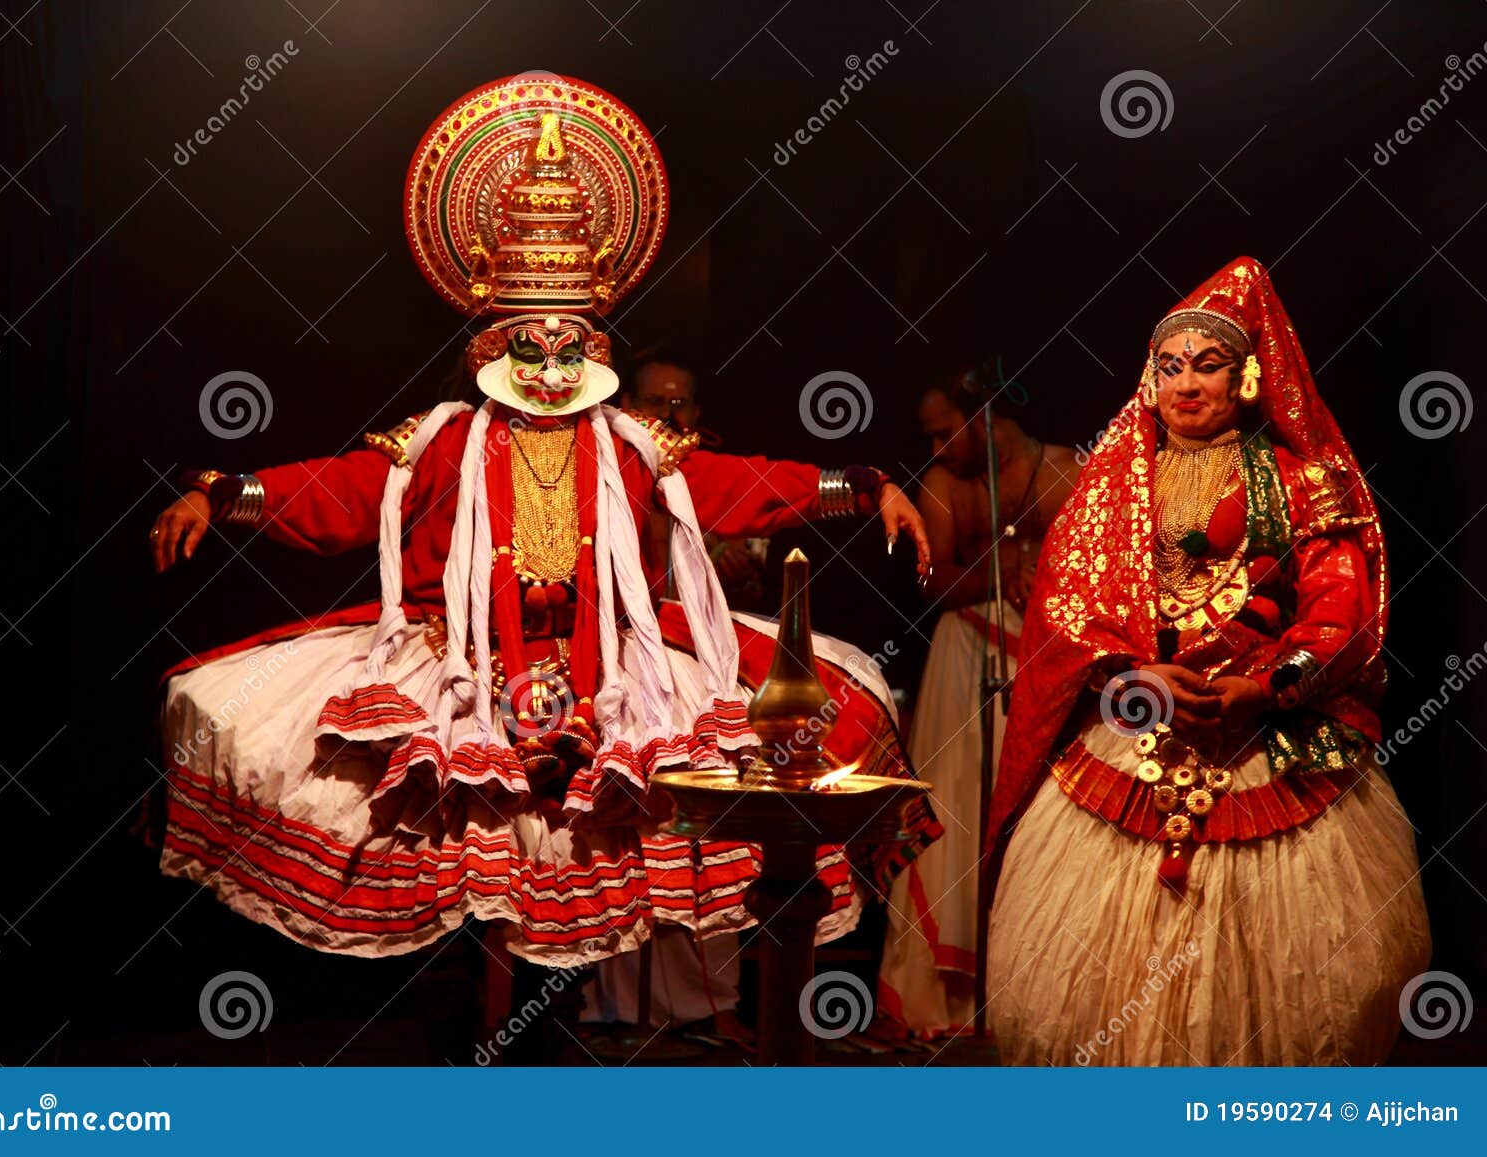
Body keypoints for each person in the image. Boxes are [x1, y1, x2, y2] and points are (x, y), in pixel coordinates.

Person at [146, 76, 931, 984]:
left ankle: (554, 1088)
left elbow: (740, 486)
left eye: (569, 349)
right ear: (492, 349)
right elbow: (341, 493)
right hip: (464, 680)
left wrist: (865, 487)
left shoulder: (633, 447)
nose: (552, 370)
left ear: (594, 350)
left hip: (610, 685)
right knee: (470, 914)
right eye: (531, 348)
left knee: (577, 909)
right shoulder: (441, 445)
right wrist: (222, 491)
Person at [985, 256, 1430, 1065]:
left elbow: (1341, 608)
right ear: (1149, 382)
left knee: (1313, 991)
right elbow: (1066, 605)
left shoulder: (1303, 481)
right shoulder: (1113, 488)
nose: (1187, 383)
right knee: (1071, 993)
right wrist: (1132, 674)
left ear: (1248, 376)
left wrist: (1267, 686)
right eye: (1170, 366)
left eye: (1209, 364)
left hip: (1269, 737)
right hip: (1133, 729)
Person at [877, 367, 1081, 1035]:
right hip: (964, 652)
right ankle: (945, 996)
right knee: (957, 798)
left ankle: (1033, 991)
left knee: (1036, 812)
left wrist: (1042, 577)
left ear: (985, 412)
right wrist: (1007, 560)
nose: (936, 450)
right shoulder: (943, 485)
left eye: (945, 433)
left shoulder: (1064, 469)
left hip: (1047, 655)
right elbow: (932, 580)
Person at [621, 347, 768, 610]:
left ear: (696, 412)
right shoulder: (603, 475)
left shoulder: (719, 486)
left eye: (679, 404)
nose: (666, 414)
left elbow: (751, 598)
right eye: (654, 400)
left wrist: (740, 580)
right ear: (627, 404)